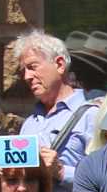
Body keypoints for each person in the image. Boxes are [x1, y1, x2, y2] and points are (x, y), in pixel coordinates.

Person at [6, 29, 97, 166]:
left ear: (59, 65)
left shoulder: (91, 115)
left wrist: (60, 172)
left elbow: (104, 178)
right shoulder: (30, 123)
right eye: (23, 71)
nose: (27, 77)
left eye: (32, 67)